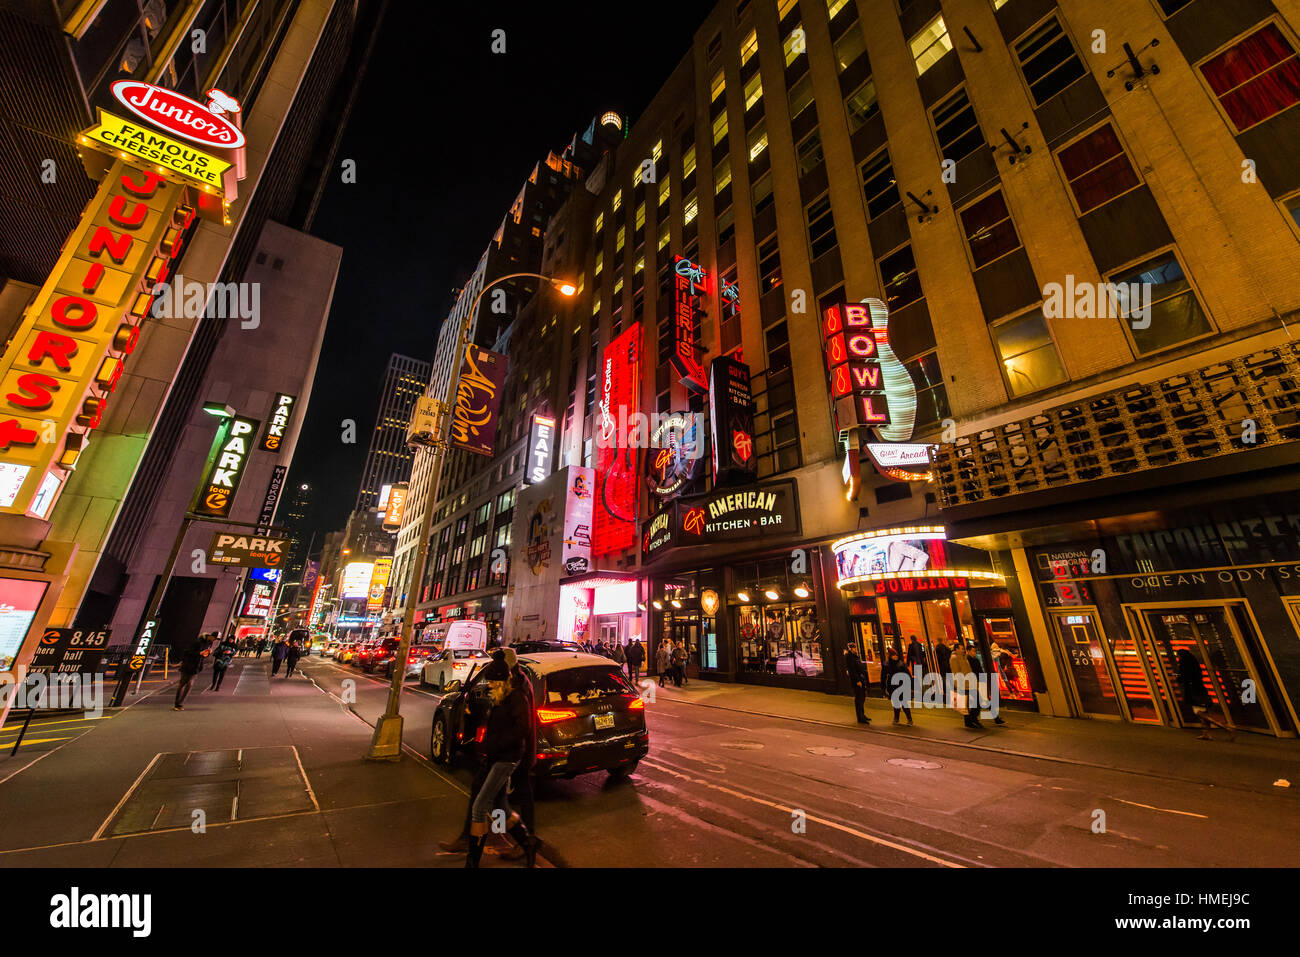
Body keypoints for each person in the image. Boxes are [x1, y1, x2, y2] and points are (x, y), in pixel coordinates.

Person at [467, 651, 538, 868]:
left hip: (507, 758)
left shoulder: (517, 694)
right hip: (496, 756)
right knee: (500, 806)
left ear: (503, 678)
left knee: (479, 806)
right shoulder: (500, 696)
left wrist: (497, 744)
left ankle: (472, 863)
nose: (489, 686)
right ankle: (527, 842)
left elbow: (523, 727)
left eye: (492, 682)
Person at [1177, 649, 1234, 741]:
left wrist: (1178, 677)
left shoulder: (1184, 666)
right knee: (1204, 712)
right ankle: (1206, 734)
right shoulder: (1195, 665)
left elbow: (1183, 678)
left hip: (1193, 691)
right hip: (1200, 689)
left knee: (1199, 713)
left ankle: (1226, 727)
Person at [174, 634, 213, 710]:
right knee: (182, 684)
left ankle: (180, 703)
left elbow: (203, 656)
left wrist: (207, 653)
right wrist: (199, 653)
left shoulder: (208, 644)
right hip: (188, 665)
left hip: (196, 667)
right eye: (214, 638)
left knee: (189, 684)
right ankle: (177, 703)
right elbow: (187, 652)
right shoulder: (196, 642)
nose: (213, 640)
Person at [949, 642, 983, 729]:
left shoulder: (964, 657)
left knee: (976, 702)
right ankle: (969, 721)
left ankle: (972, 719)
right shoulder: (954, 658)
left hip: (970, 683)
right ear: (956, 649)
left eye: (963, 649)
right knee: (966, 704)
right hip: (963, 685)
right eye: (961, 648)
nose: (963, 650)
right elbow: (956, 672)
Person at [882, 647, 913, 725]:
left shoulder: (901, 663)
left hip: (902, 685)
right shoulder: (886, 664)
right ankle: (896, 719)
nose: (896, 657)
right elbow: (883, 676)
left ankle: (909, 719)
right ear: (890, 656)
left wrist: (911, 686)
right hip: (892, 686)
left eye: (896, 655)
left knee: (904, 703)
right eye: (894, 655)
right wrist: (883, 686)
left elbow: (908, 675)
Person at [843, 645, 871, 725]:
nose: (856, 649)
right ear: (851, 649)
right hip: (857, 681)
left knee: (862, 698)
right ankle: (860, 717)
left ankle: (862, 715)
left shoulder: (855, 656)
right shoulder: (850, 657)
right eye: (854, 648)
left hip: (860, 679)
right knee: (859, 699)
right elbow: (852, 670)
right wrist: (857, 681)